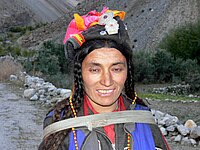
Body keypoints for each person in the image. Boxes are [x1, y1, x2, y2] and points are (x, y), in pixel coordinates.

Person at [39, 7, 170, 150]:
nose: (107, 81)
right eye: (95, 70)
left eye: (116, 69)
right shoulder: (60, 125)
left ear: (127, 71)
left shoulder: (144, 120)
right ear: (80, 73)